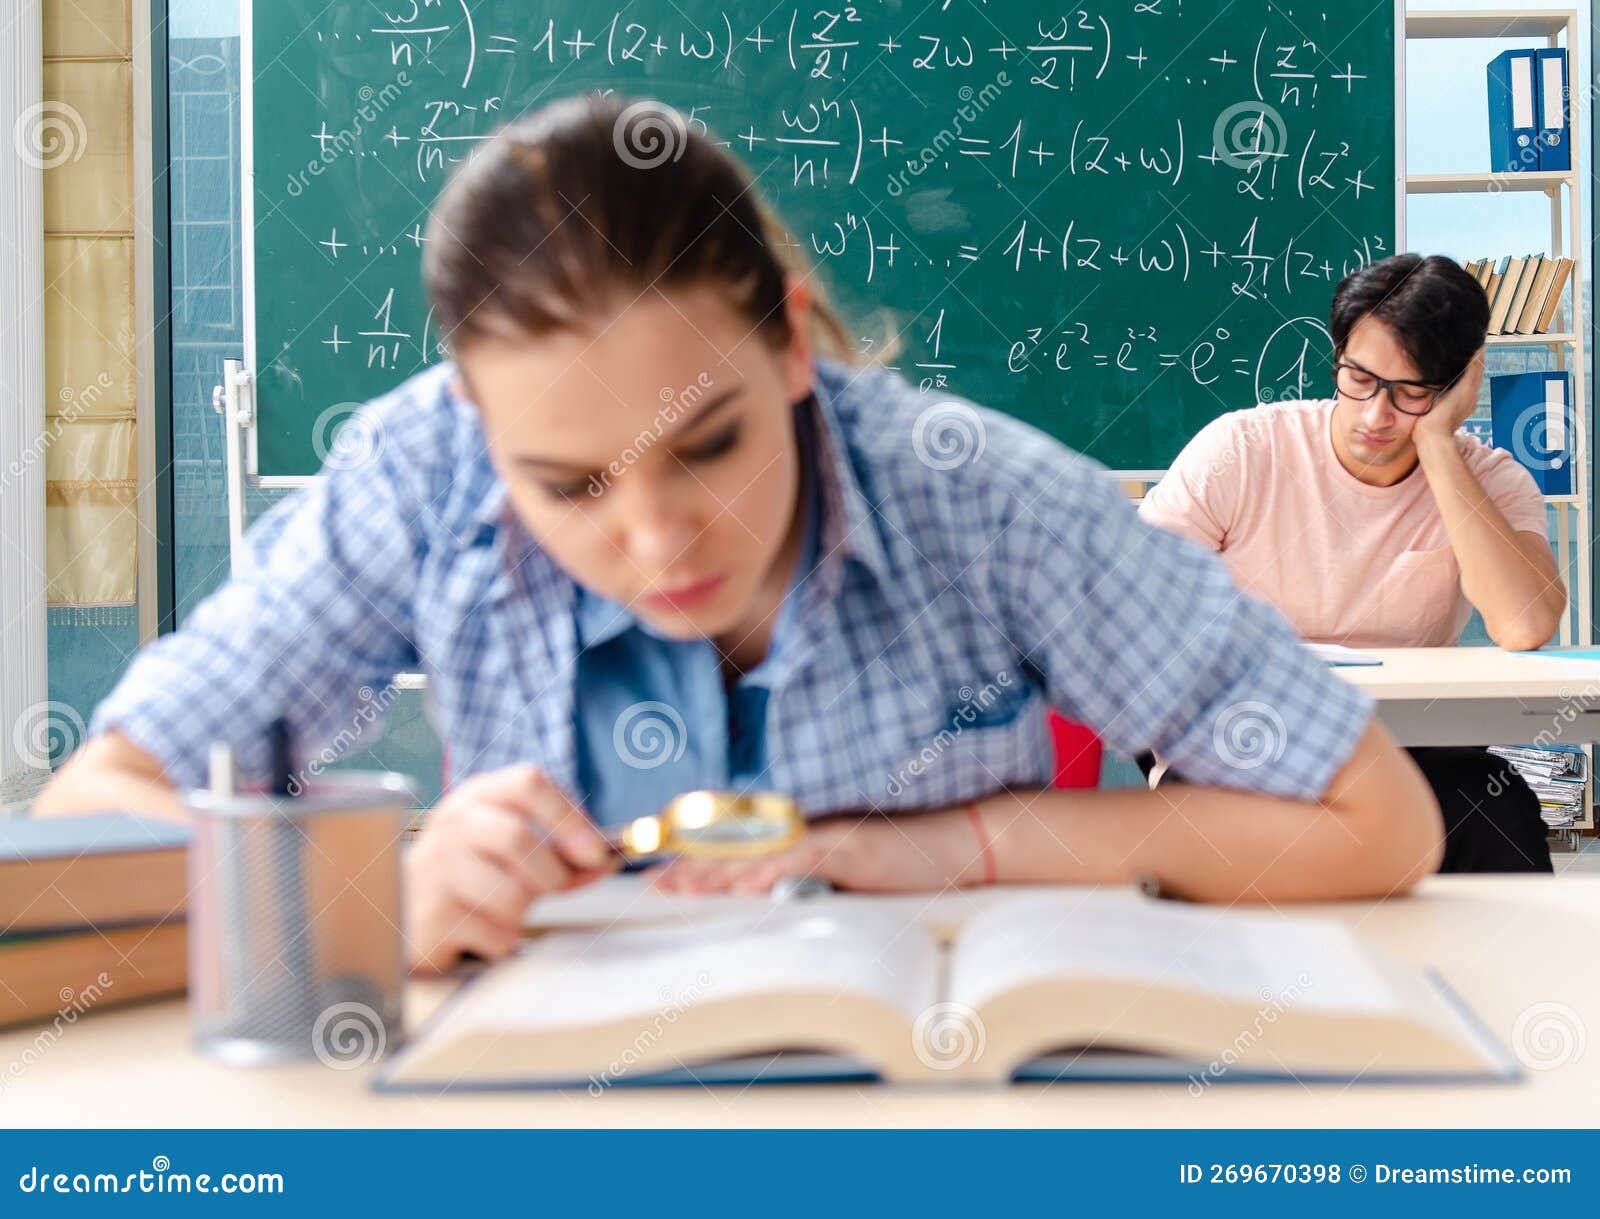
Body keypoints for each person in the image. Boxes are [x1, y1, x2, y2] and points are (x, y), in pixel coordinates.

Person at [36, 95, 1444, 972]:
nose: (658, 541)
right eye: (568, 484)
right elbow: (91, 803)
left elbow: (1376, 818)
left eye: (706, 444)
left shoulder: (982, 495)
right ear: (479, 427)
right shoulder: (416, 469)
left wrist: (961, 843)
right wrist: (368, 889)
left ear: (786, 344)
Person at [1140, 253, 1562, 873]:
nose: (1375, 415)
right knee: (1229, 829)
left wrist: (1439, 446)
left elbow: (1524, 626)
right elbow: (1133, 599)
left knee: (1495, 812)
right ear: (1337, 355)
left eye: (1412, 392)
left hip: (1403, 747)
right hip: (1243, 737)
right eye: (1359, 378)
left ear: (1459, 384)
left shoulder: (1492, 483)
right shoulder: (1243, 449)